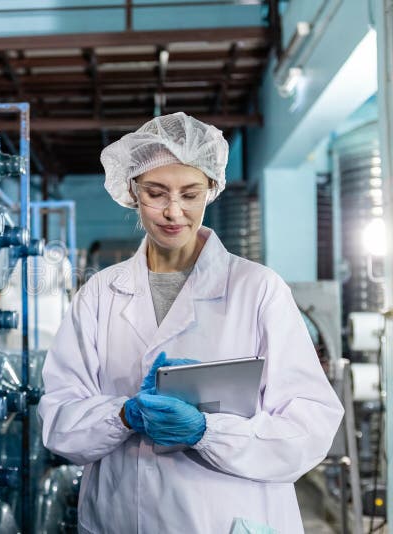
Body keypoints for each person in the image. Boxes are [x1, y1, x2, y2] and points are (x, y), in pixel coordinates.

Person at [37, 112, 343, 533]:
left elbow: (310, 424)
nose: (173, 211)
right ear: (133, 191)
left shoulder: (257, 289)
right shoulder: (100, 294)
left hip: (224, 517)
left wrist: (207, 431)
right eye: (156, 193)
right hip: (123, 517)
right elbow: (59, 420)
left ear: (211, 189)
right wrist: (124, 414)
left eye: (190, 194)